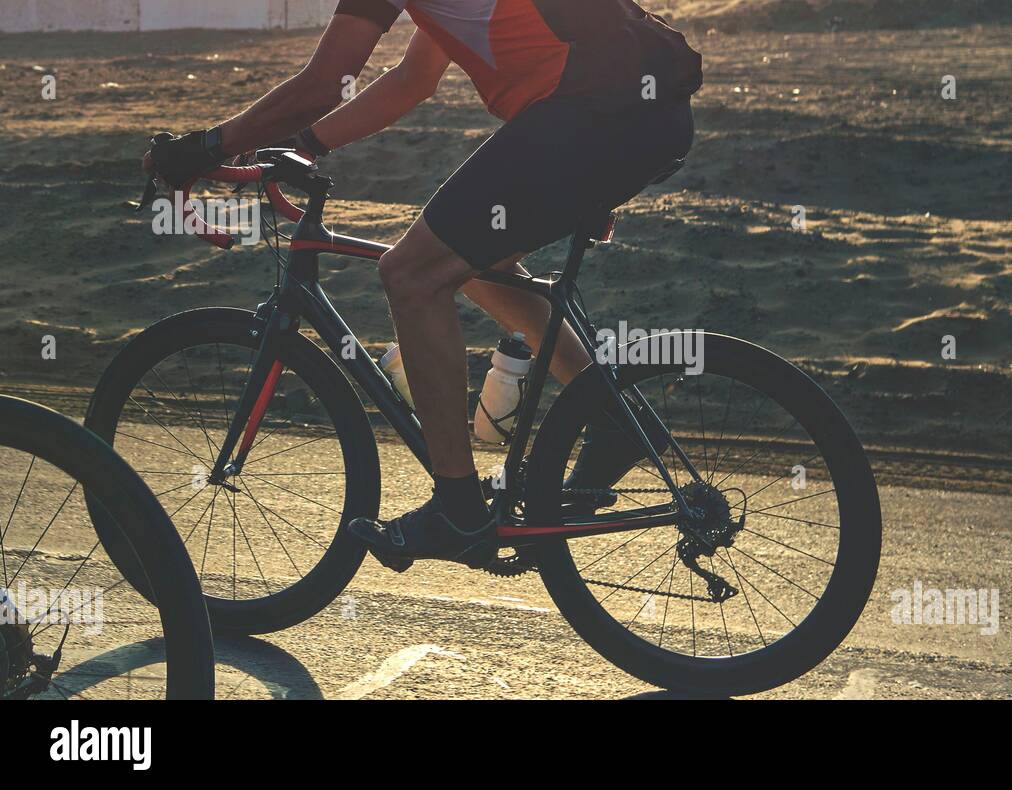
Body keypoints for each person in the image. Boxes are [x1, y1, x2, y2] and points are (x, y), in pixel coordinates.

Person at [144, 1, 701, 570]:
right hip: (644, 114)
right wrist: (307, 146)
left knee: (411, 275)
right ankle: (611, 417)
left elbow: (323, 81)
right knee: (470, 267)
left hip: (590, 112)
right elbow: (415, 78)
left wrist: (204, 149)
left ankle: (458, 511)